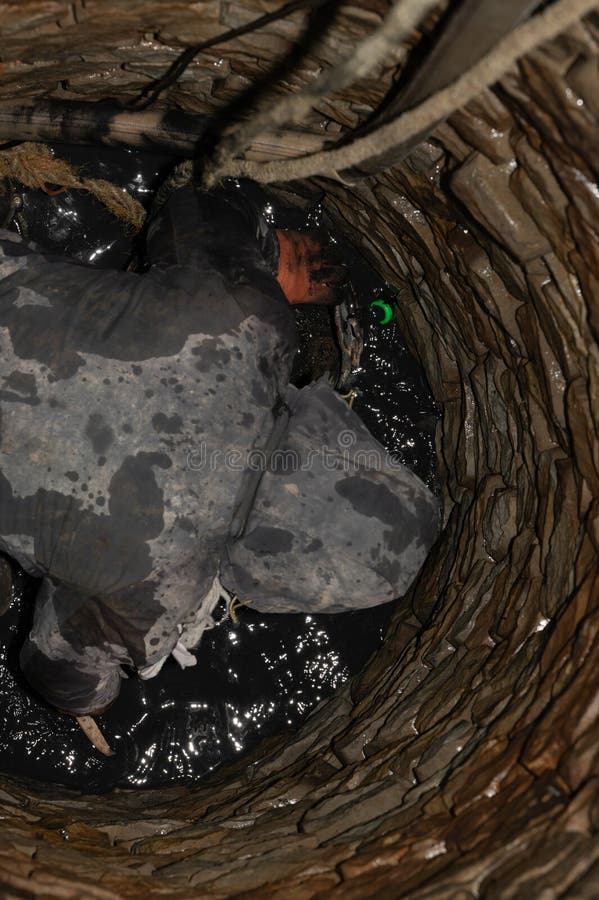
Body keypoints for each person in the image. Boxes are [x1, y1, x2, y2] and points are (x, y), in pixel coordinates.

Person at [0, 181, 439, 741]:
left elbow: (196, 205)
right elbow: (55, 672)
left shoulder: (252, 321)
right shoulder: (153, 598)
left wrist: (268, 263)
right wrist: (97, 699)